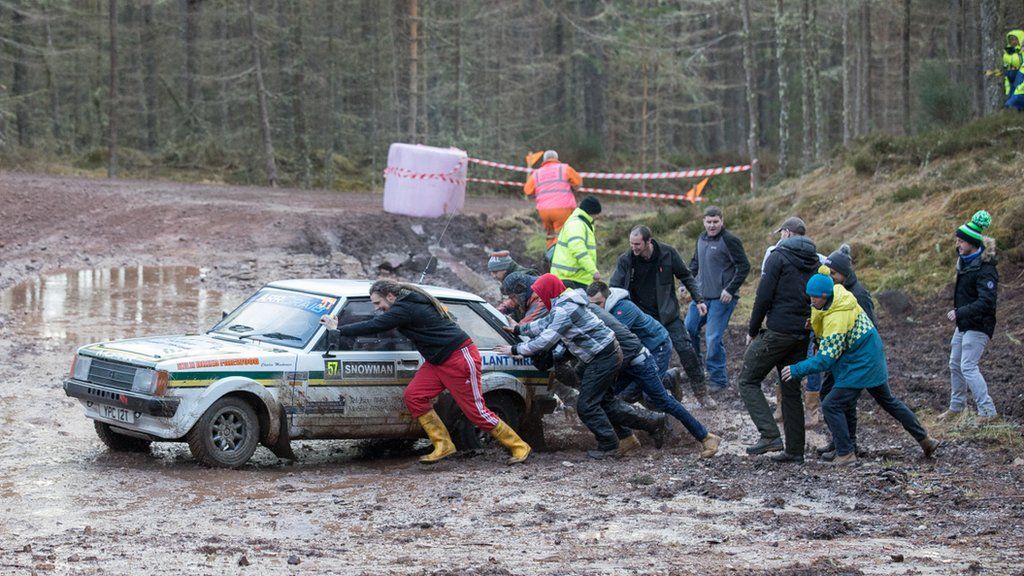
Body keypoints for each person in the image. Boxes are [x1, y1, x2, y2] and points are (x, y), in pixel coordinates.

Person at [320, 280, 530, 465]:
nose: (377, 308)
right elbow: (379, 321)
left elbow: (376, 325)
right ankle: (443, 445)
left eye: (378, 303)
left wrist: (338, 329)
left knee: (476, 411)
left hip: (459, 358)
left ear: (391, 296)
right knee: (414, 396)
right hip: (437, 361)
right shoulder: (403, 305)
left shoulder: (403, 309)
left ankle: (519, 446)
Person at [494, 274, 661, 459]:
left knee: (586, 406)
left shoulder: (564, 308)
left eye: (541, 294)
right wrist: (518, 330)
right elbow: (543, 324)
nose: (540, 299)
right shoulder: (562, 304)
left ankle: (609, 445)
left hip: (603, 356)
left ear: (549, 291)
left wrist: (515, 349)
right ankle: (650, 424)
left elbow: (545, 340)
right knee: (604, 402)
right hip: (601, 354)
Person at [783, 275, 940, 465]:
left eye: (815, 297)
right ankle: (924, 439)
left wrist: (797, 369)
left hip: (861, 362)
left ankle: (846, 453)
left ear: (825, 295)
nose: (812, 300)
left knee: (833, 404)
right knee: (880, 401)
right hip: (867, 355)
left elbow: (825, 359)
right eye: (810, 296)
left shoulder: (837, 317)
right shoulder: (836, 300)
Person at [587, 282, 721, 458]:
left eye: (598, 303)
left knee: (655, 397)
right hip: (631, 358)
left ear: (607, 297)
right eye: (592, 305)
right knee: (611, 399)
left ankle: (705, 436)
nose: (596, 308)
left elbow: (614, 342)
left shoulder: (622, 309)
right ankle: (628, 436)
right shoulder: (604, 311)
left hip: (655, 347)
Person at [739, 216, 820, 463]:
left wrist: (753, 330)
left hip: (778, 331)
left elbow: (763, 296)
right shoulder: (815, 261)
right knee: (791, 388)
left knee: (747, 379)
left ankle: (769, 435)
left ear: (786, 233)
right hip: (802, 332)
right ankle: (795, 451)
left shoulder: (778, 257)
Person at [610, 225, 715, 409]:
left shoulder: (667, 253)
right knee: (643, 358)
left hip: (668, 314)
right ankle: (662, 385)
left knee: (686, 351)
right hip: (643, 318)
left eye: (637, 244)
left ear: (648, 241)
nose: (633, 247)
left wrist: (699, 299)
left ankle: (702, 394)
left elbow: (686, 276)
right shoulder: (626, 260)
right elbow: (614, 287)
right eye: (631, 243)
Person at [814, 243, 878, 458]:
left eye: (833, 273)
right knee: (828, 396)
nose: (829, 276)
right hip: (838, 357)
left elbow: (869, 327)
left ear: (843, 273)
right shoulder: (833, 291)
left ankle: (847, 446)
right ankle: (840, 442)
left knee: (842, 402)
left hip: (851, 358)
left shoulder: (858, 294)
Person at [939, 210, 999, 424]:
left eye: (961, 241)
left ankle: (987, 411)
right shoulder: (964, 261)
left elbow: (987, 302)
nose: (958, 245)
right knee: (955, 364)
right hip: (964, 323)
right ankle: (956, 408)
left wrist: (959, 312)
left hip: (979, 324)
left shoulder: (986, 269)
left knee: (967, 366)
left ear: (973, 243)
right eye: (957, 240)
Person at [686, 205, 751, 392]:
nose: (712, 225)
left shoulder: (730, 240)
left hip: (722, 299)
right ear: (703, 222)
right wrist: (686, 283)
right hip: (701, 297)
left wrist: (730, 289)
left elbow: (744, 267)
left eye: (716, 222)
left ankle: (718, 378)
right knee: (689, 328)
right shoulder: (701, 238)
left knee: (713, 337)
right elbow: (695, 263)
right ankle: (695, 369)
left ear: (722, 221)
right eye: (709, 222)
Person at [523, 150, 582, 249]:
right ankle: (559, 259)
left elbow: (527, 190)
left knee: (550, 235)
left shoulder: (536, 173)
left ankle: (549, 258)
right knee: (562, 236)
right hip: (563, 209)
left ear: (544, 160)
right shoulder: (564, 168)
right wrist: (574, 186)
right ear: (556, 158)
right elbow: (578, 182)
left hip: (544, 211)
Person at [550, 195, 602, 290]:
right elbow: (578, 249)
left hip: (575, 278)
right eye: (597, 214)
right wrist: (593, 271)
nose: (598, 217)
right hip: (570, 279)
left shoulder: (582, 223)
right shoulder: (577, 224)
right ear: (592, 212)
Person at [1003, 30, 1024, 111]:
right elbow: (1006, 65)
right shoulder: (1008, 51)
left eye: (1015, 39)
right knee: (1011, 93)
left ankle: (1011, 107)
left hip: (1020, 74)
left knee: (1018, 92)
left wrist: (1007, 57)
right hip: (1010, 75)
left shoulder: (1021, 51)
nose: (1013, 41)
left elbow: (1017, 61)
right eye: (1011, 39)